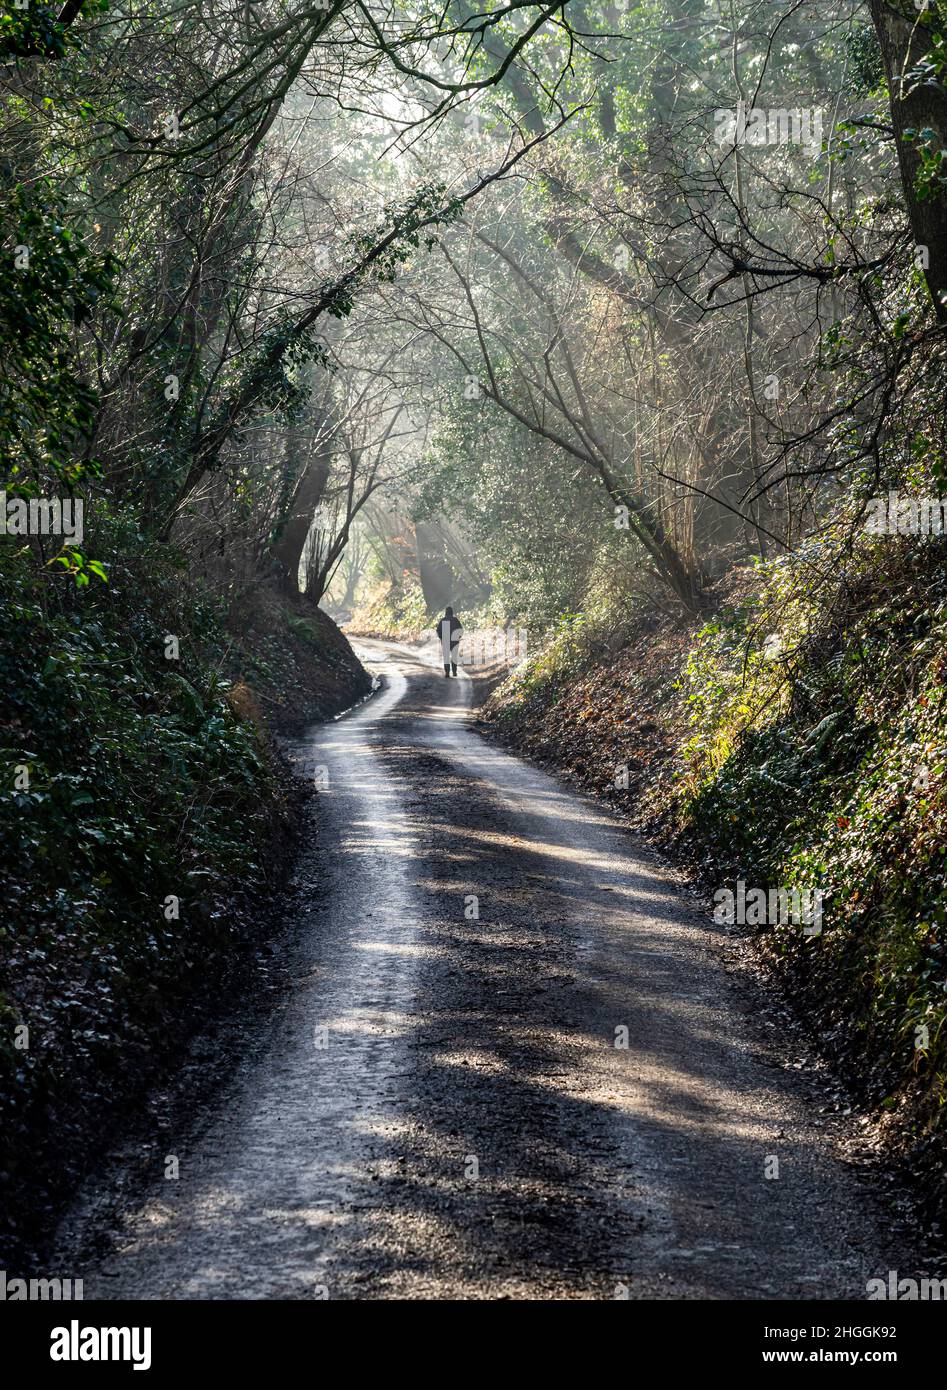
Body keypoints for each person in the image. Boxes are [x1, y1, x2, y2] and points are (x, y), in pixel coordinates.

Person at [436, 605, 462, 677]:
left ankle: (447, 672)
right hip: (454, 641)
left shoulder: (442, 620)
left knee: (446, 657)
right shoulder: (455, 620)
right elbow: (460, 630)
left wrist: (441, 638)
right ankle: (454, 672)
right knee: (454, 656)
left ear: (446, 612)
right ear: (452, 612)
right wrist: (458, 637)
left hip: (446, 641)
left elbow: (438, 631)